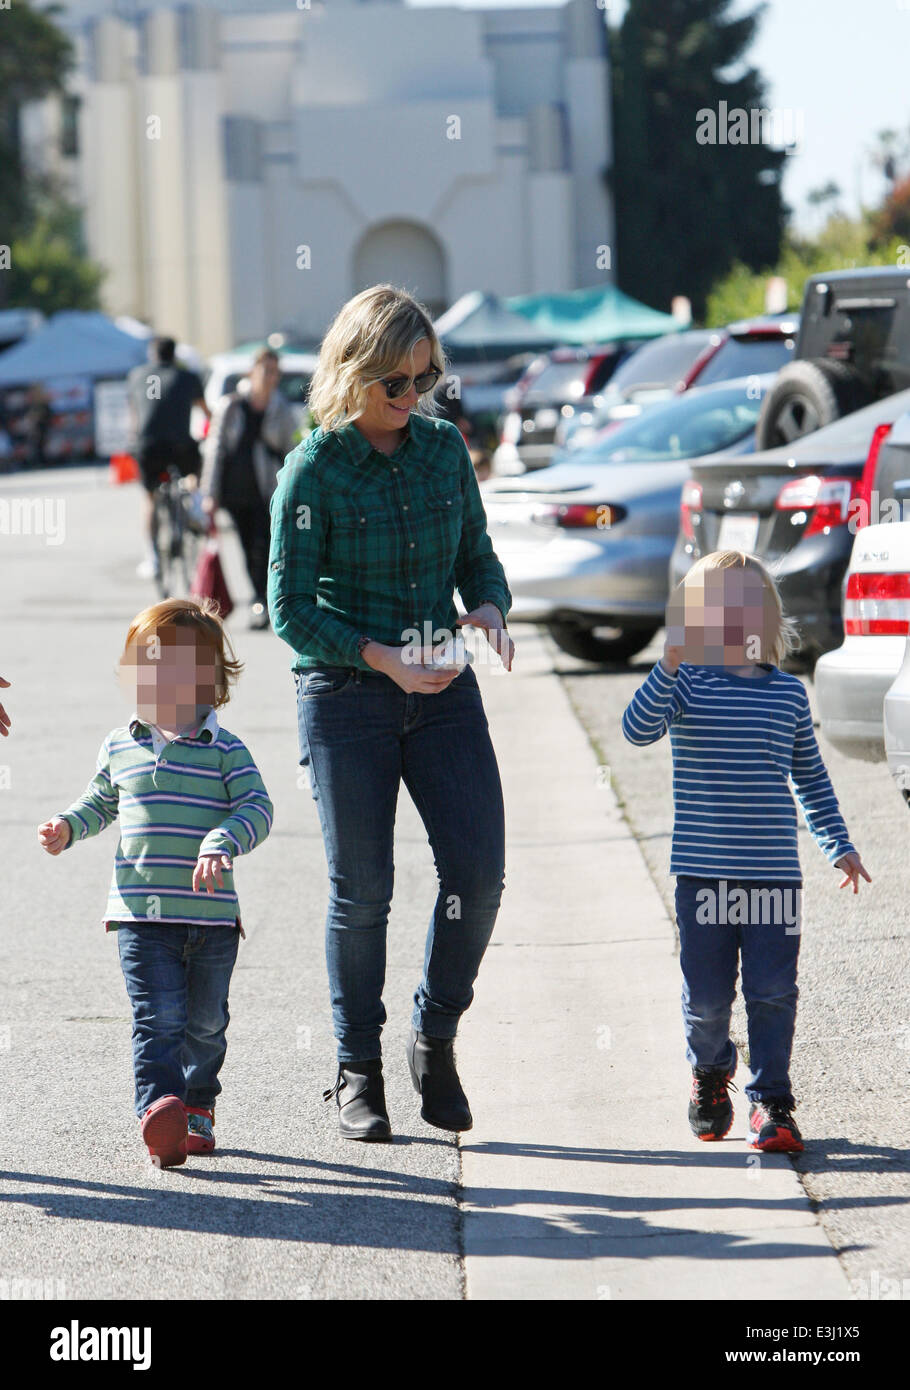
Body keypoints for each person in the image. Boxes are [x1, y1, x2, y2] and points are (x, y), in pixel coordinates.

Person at [268, 284, 514, 1142]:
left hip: (442, 693)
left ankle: (434, 1038)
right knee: (363, 890)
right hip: (347, 697)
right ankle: (356, 1069)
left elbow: (480, 560)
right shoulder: (312, 468)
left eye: (426, 379)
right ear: (353, 375)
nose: (415, 399)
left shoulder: (444, 451)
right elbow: (289, 607)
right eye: (397, 384)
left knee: (478, 873)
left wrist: (488, 609)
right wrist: (382, 659)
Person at [621, 551, 870, 1153]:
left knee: (772, 991)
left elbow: (809, 778)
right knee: (707, 997)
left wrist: (838, 845)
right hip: (702, 877)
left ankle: (771, 1101)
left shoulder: (786, 695)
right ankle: (711, 1072)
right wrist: (668, 666)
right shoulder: (685, 684)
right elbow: (636, 729)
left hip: (774, 878)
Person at [37, 598, 273, 1168]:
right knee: (157, 1017)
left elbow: (258, 807)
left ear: (205, 678)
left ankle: (198, 1105)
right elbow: (103, 800)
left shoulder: (226, 749)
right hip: (140, 916)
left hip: (212, 916)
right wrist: (70, 825)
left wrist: (223, 840)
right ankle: (159, 1111)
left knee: (206, 1022)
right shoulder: (121, 743)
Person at [201, 349, 296, 629]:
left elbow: (291, 451)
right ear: (252, 372)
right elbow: (215, 451)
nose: (269, 377)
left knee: (266, 547)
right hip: (236, 490)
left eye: (274, 372)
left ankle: (266, 601)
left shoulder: (281, 409)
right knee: (247, 546)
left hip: (267, 490)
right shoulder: (230, 405)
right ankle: (260, 600)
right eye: (265, 370)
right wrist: (210, 494)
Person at [127, 337, 210, 580]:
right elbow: (205, 413)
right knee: (194, 469)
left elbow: (134, 417)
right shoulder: (187, 377)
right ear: (175, 356)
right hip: (179, 446)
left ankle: (152, 557)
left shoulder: (136, 376)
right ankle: (195, 504)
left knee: (150, 498)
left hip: (147, 447)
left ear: (153, 355)